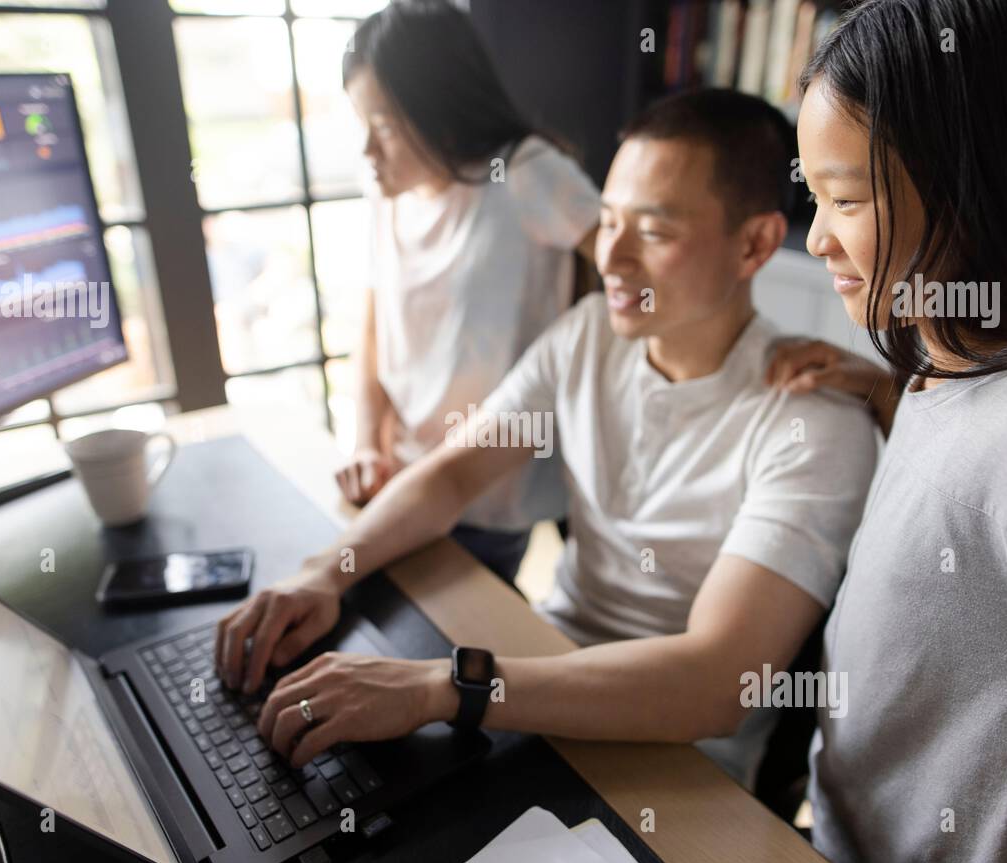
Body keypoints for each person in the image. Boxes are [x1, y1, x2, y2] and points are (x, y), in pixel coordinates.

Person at [216, 88, 879, 790]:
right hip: (542, 670)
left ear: (755, 244)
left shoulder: (815, 420)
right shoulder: (590, 334)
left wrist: (445, 687)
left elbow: (717, 683)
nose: (612, 258)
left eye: (652, 233)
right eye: (609, 221)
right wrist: (327, 569)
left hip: (680, 762)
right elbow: (453, 475)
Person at [769, 0, 1007, 863]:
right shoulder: (948, 367)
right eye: (812, 196)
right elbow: (973, 500)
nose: (820, 236)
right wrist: (881, 392)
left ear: (986, 185)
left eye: (848, 198)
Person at [338, 0, 600, 584]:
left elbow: (638, 267)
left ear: (439, 105)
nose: (368, 154)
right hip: (400, 475)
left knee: (454, 627)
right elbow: (373, 330)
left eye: (382, 127)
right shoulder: (387, 193)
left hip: (487, 489)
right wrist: (363, 441)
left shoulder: (528, 173)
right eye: (362, 128)